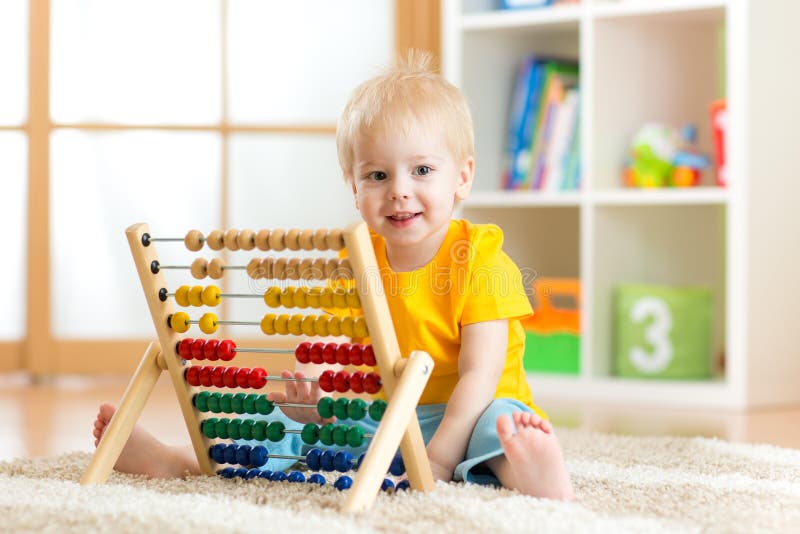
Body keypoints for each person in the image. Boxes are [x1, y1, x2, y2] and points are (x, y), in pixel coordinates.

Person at [93, 51, 574, 500]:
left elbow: (481, 374)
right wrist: (312, 399)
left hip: (469, 413)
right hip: (389, 418)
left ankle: (529, 472)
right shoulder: (356, 267)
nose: (399, 192)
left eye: (422, 170)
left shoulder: (483, 260)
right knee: (294, 428)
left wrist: (439, 458)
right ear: (354, 187)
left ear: (462, 178)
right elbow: (332, 356)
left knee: (501, 423)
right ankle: (176, 459)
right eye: (377, 176)